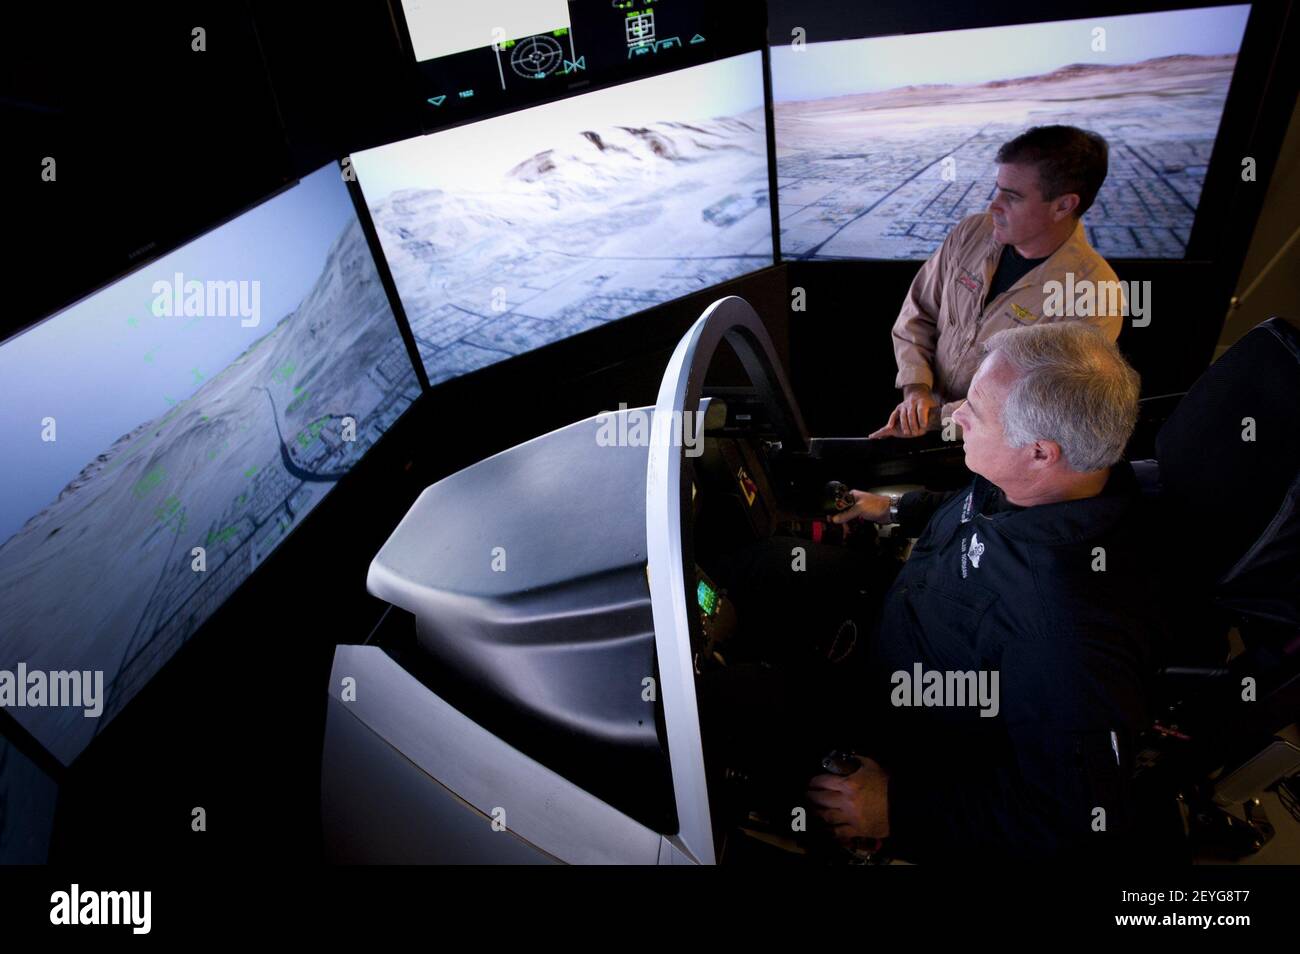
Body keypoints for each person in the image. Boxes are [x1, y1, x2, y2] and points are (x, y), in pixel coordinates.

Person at [808, 322, 1163, 863]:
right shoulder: (1037, 481)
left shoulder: (1066, 634)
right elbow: (971, 510)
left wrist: (895, 808)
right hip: (890, 627)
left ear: (1041, 453)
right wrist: (896, 508)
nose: (956, 415)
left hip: (904, 736)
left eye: (975, 408)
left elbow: (1069, 818)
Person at [873, 125, 1124, 440]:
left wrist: (933, 419)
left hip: (994, 448)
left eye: (1012, 196)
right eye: (998, 189)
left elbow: (1030, 402)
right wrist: (916, 390)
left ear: (1063, 206)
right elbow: (917, 314)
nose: (994, 205)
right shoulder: (972, 233)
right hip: (926, 421)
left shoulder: (1094, 295)